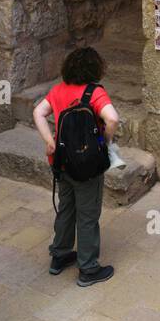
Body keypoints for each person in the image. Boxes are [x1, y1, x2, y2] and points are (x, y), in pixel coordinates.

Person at [32, 46, 119, 287]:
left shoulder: (58, 90)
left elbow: (38, 112)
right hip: (88, 164)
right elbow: (112, 118)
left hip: (61, 162)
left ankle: (59, 255)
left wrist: (50, 142)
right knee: (88, 214)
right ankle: (88, 268)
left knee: (66, 208)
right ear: (95, 68)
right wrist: (105, 141)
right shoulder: (95, 92)